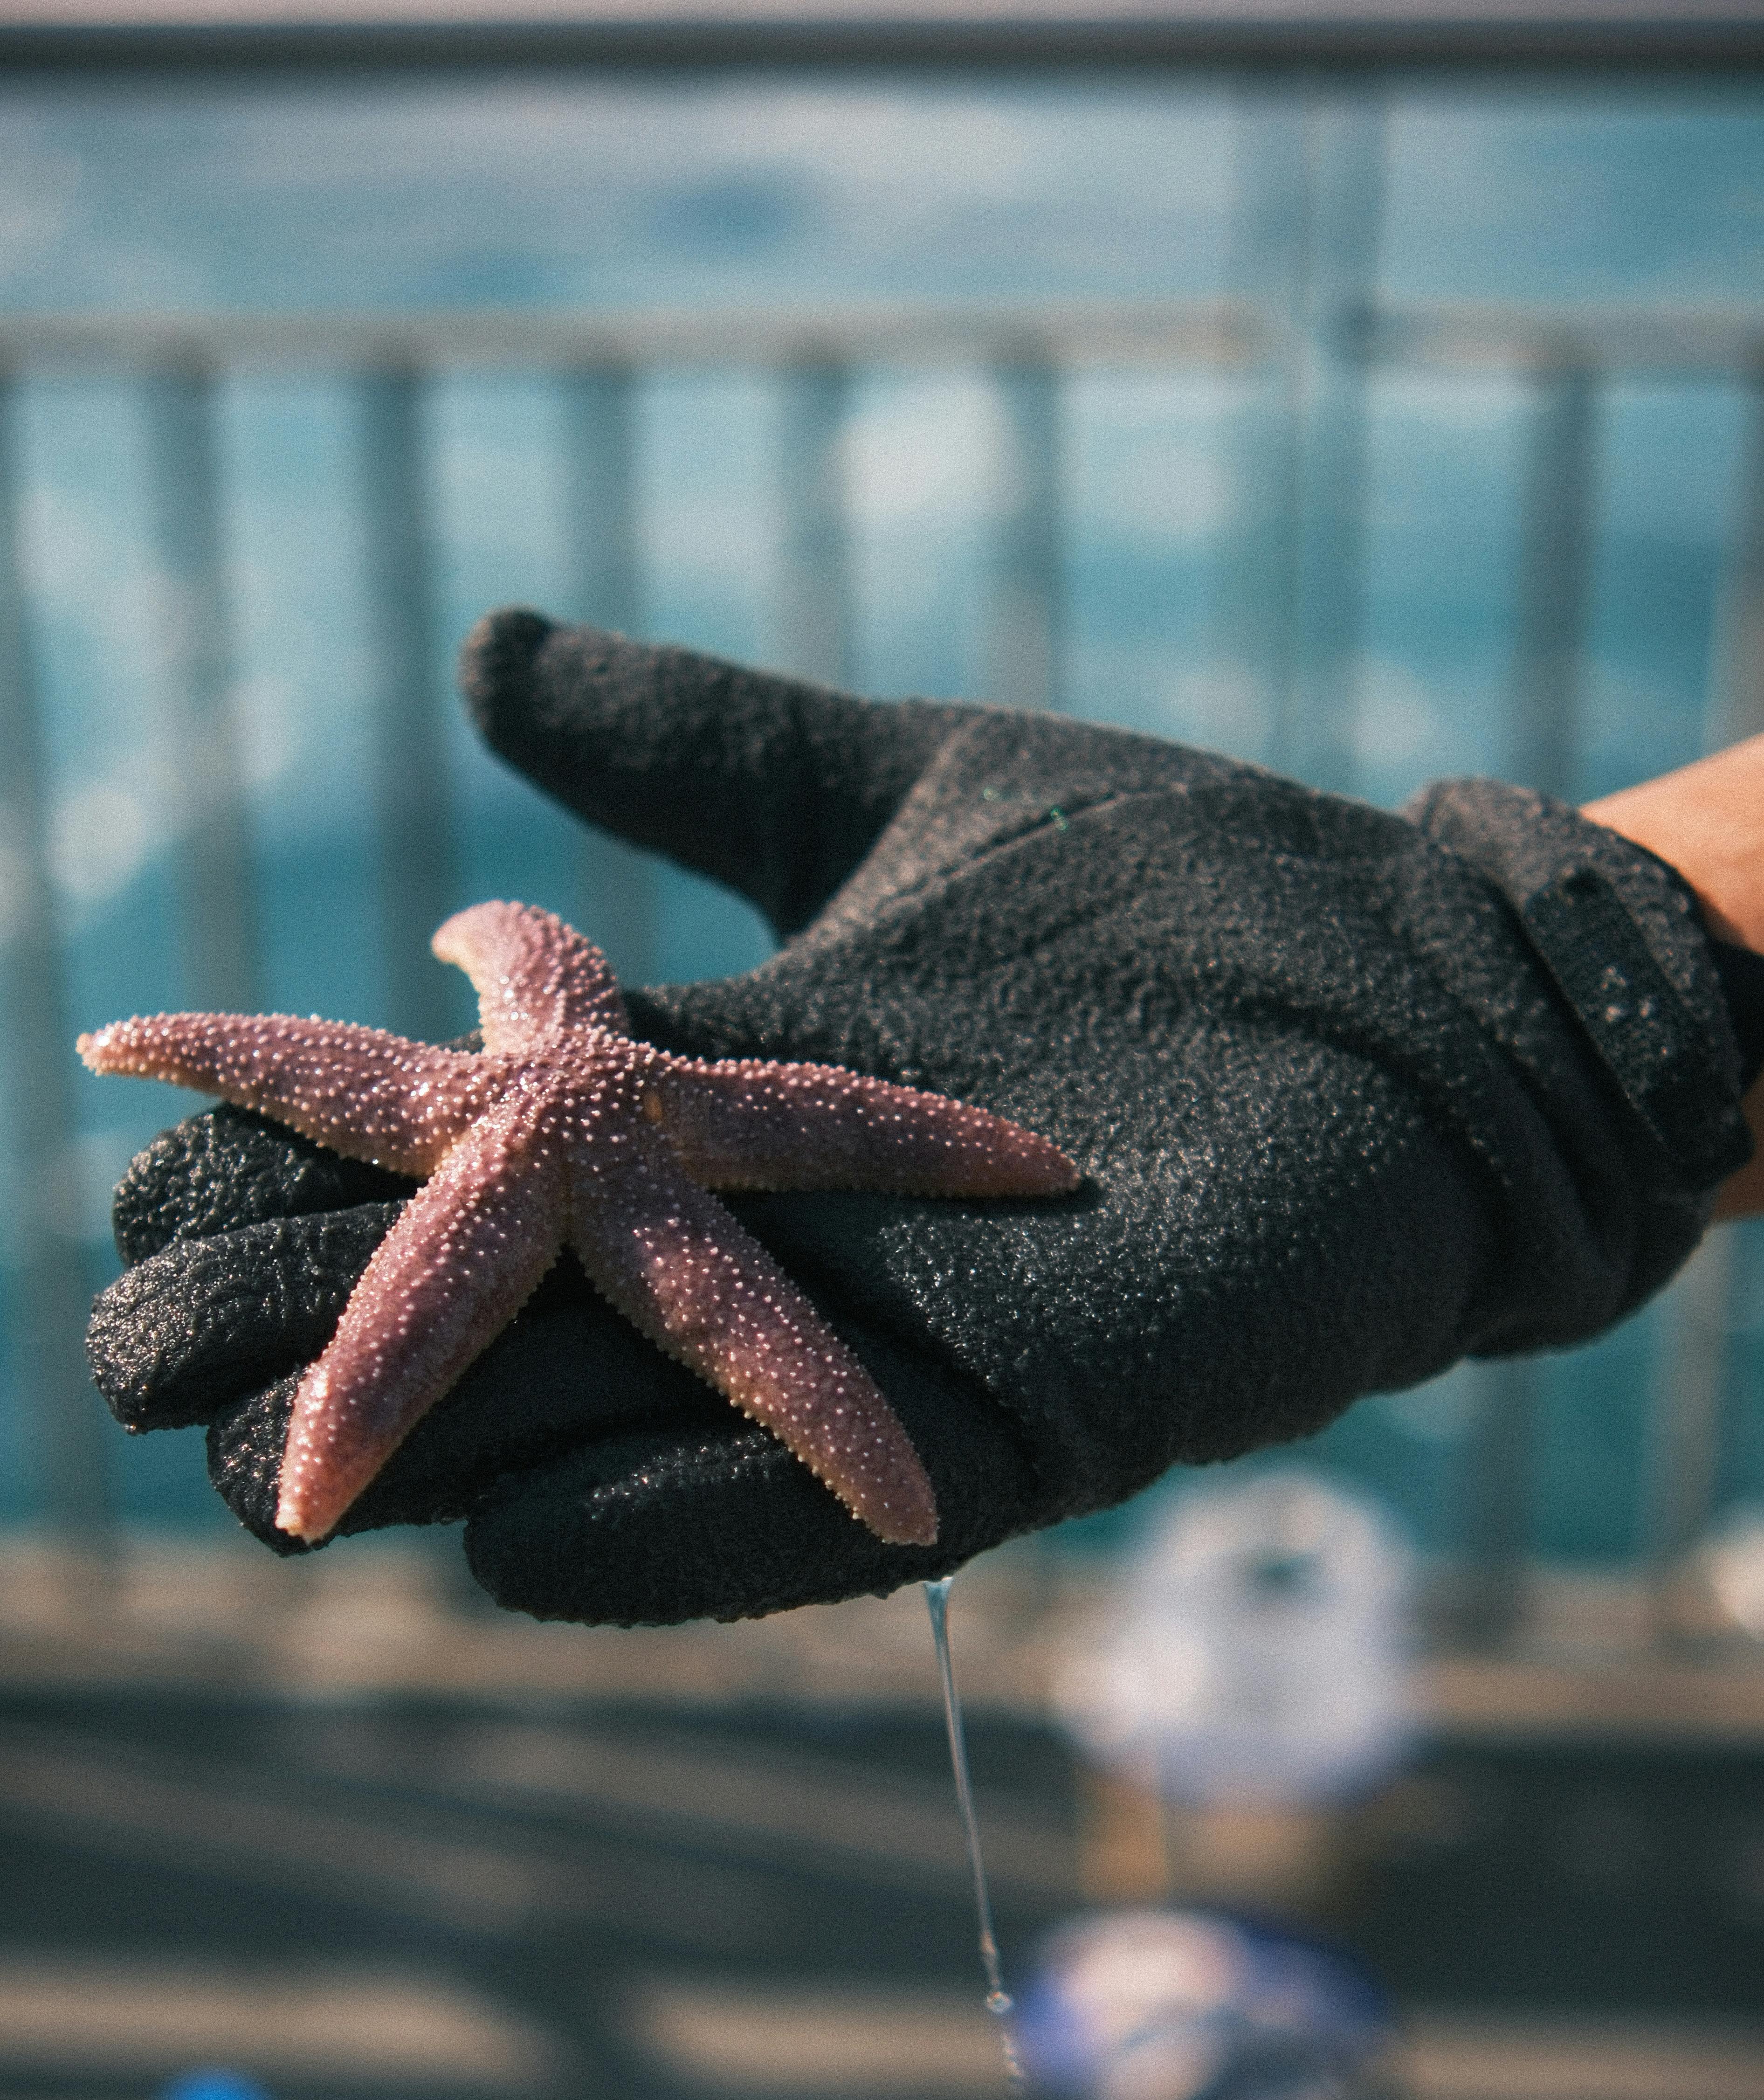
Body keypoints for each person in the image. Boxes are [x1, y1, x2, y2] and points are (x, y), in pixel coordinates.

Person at [86, 609, 1764, 1628]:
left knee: (694, 1375)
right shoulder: (622, 1091)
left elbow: (856, 1120)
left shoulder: (575, 1071)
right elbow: (555, 986)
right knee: (420, 1383)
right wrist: (1576, 1016)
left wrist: (1559, 1016)